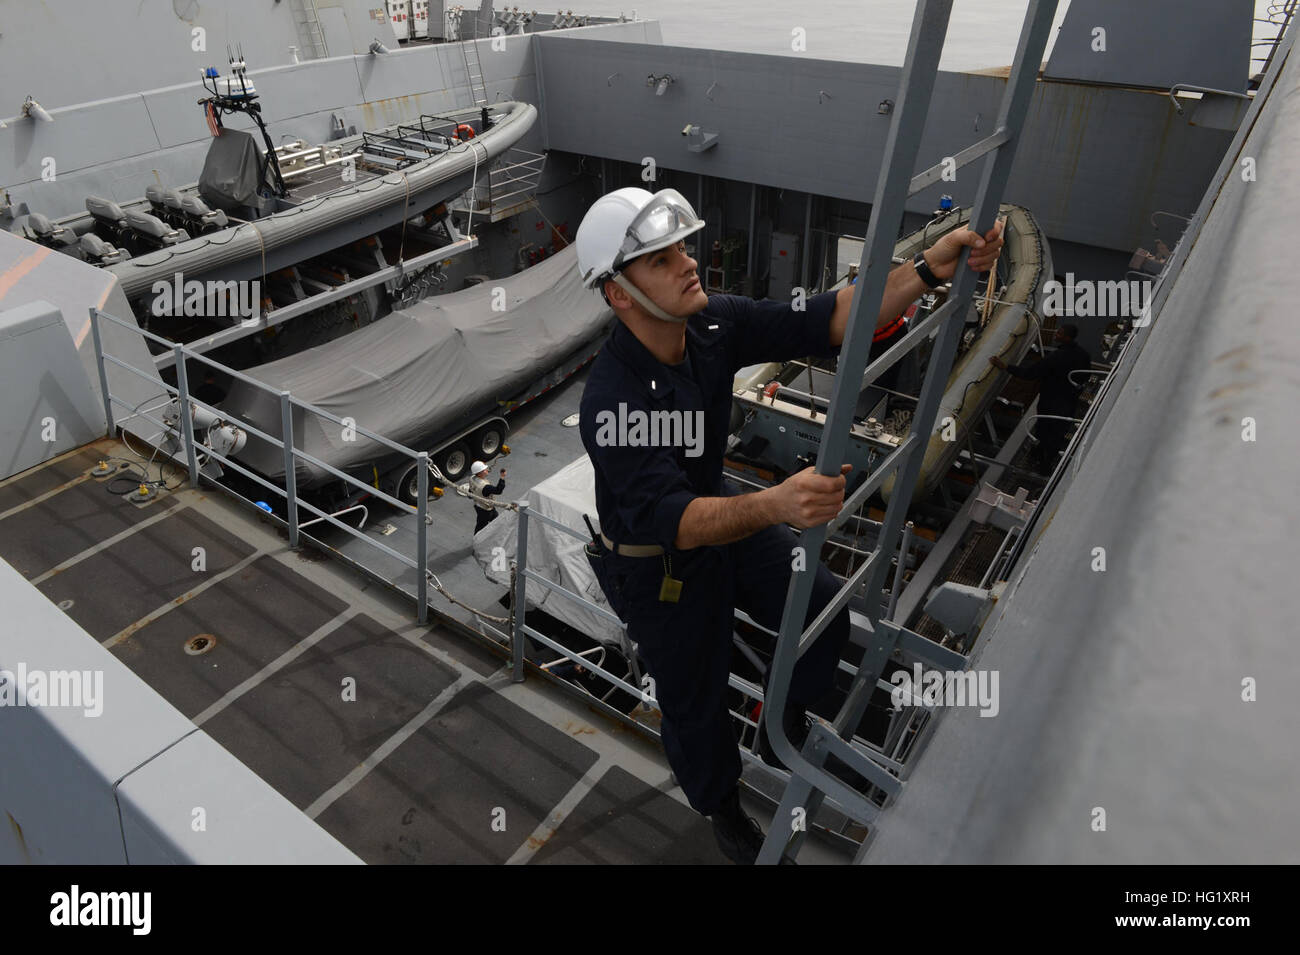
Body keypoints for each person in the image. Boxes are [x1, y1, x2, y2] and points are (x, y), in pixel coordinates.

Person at [575, 186, 1004, 864]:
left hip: (719, 513)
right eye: (662, 259)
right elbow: (674, 522)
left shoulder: (711, 325)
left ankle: (791, 721)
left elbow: (828, 318)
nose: (689, 263)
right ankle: (722, 808)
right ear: (620, 294)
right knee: (697, 705)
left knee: (823, 607)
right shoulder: (611, 401)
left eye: (683, 246)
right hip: (659, 563)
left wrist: (929, 266)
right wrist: (775, 504)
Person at [988, 322, 1091, 474]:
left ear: (1067, 337)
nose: (1056, 334)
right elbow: (1085, 375)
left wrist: (1005, 367)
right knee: (1058, 432)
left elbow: (1030, 373)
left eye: (1060, 333)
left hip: (1050, 400)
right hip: (1069, 401)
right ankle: (1045, 462)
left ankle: (1041, 463)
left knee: (1044, 431)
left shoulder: (1056, 357)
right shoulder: (1083, 355)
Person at [469, 461, 507, 532]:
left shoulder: (472, 478)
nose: (487, 470)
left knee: (495, 517)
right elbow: (498, 490)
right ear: (480, 474)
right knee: (481, 525)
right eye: (485, 469)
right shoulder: (485, 487)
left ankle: (498, 528)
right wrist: (502, 477)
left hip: (478, 505)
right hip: (485, 510)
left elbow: (470, 491)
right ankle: (477, 538)